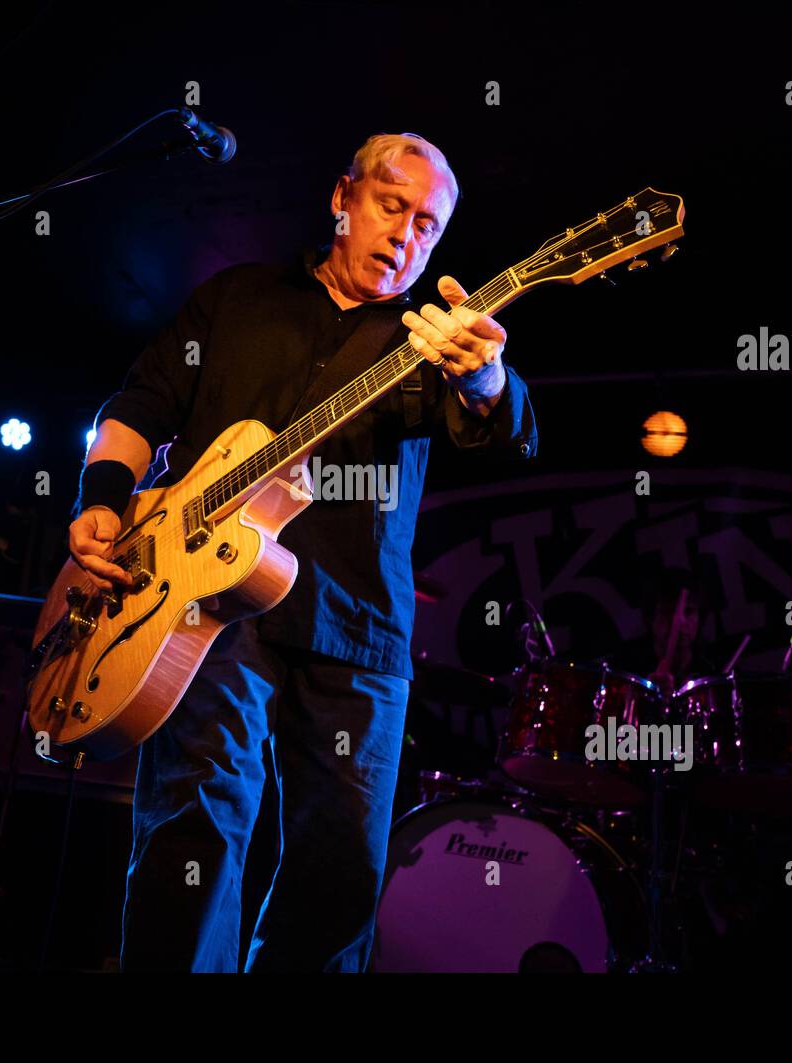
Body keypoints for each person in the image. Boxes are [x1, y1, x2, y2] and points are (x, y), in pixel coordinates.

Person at [67, 132, 537, 972]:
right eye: (393, 206)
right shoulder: (237, 298)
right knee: (193, 832)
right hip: (205, 612)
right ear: (342, 196)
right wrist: (101, 502)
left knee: (342, 867)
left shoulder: (433, 341)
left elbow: (504, 440)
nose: (406, 235)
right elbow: (141, 403)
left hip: (356, 624)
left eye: (428, 226)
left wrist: (486, 379)